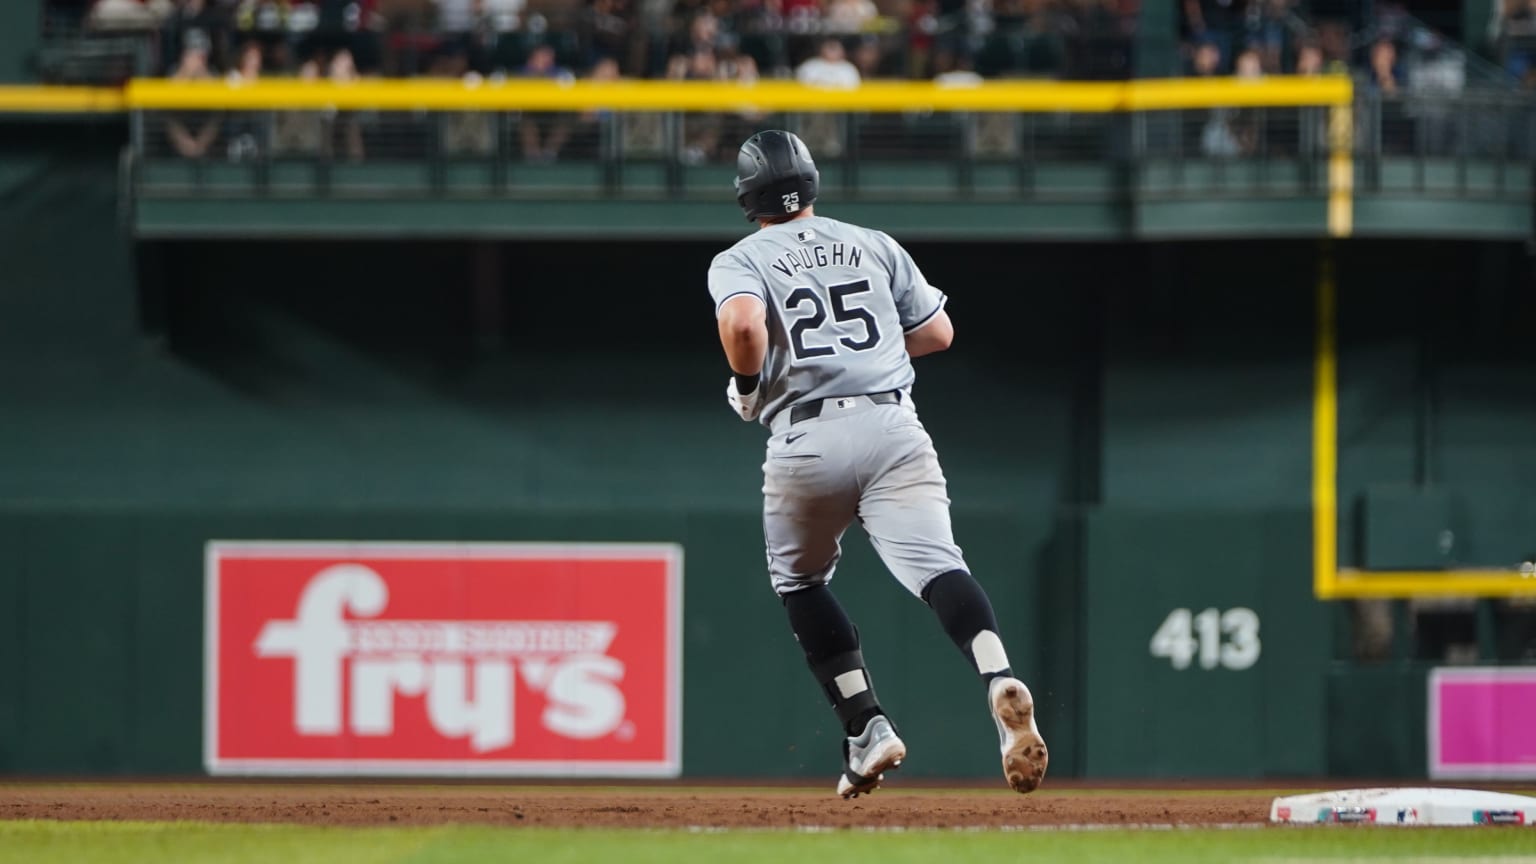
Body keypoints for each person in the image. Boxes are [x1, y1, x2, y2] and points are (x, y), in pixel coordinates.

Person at [705, 131, 1049, 799]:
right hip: (894, 424)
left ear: (748, 198)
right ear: (811, 181)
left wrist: (748, 389)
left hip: (806, 437)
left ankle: (866, 726)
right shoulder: (872, 242)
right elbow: (938, 332)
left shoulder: (739, 258)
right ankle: (997, 674)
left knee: (800, 582)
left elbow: (745, 329)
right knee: (941, 568)